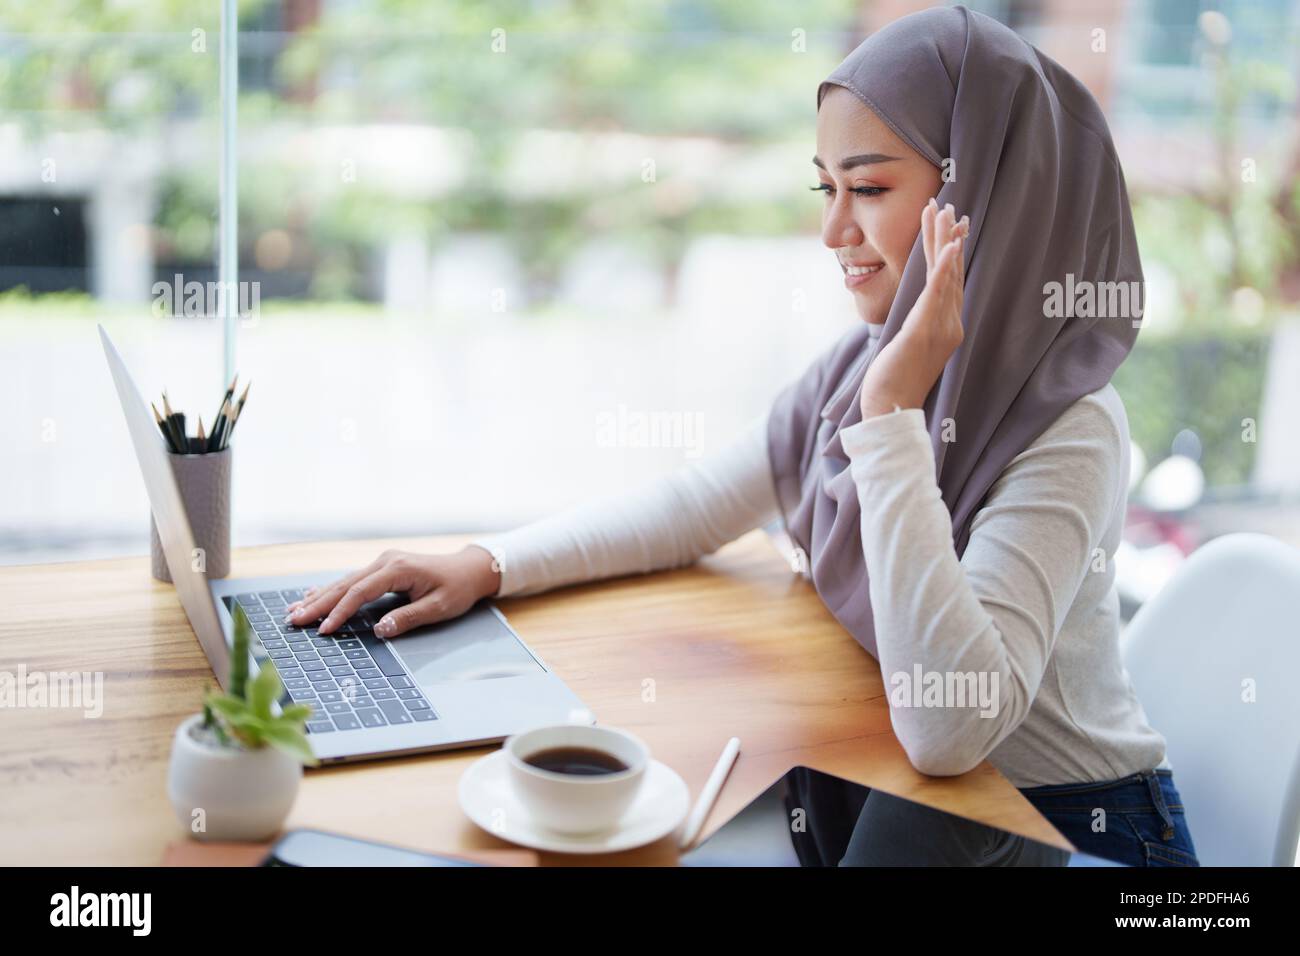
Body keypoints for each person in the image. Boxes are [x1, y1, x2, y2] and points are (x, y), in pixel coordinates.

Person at [285, 6, 1198, 866]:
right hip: (916, 791)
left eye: (870, 187)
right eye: (826, 188)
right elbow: (695, 506)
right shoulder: (865, 362)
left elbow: (950, 729)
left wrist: (892, 419)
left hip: (1076, 823)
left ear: (989, 193)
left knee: (893, 808)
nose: (833, 229)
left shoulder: (1068, 427)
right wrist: (485, 565)